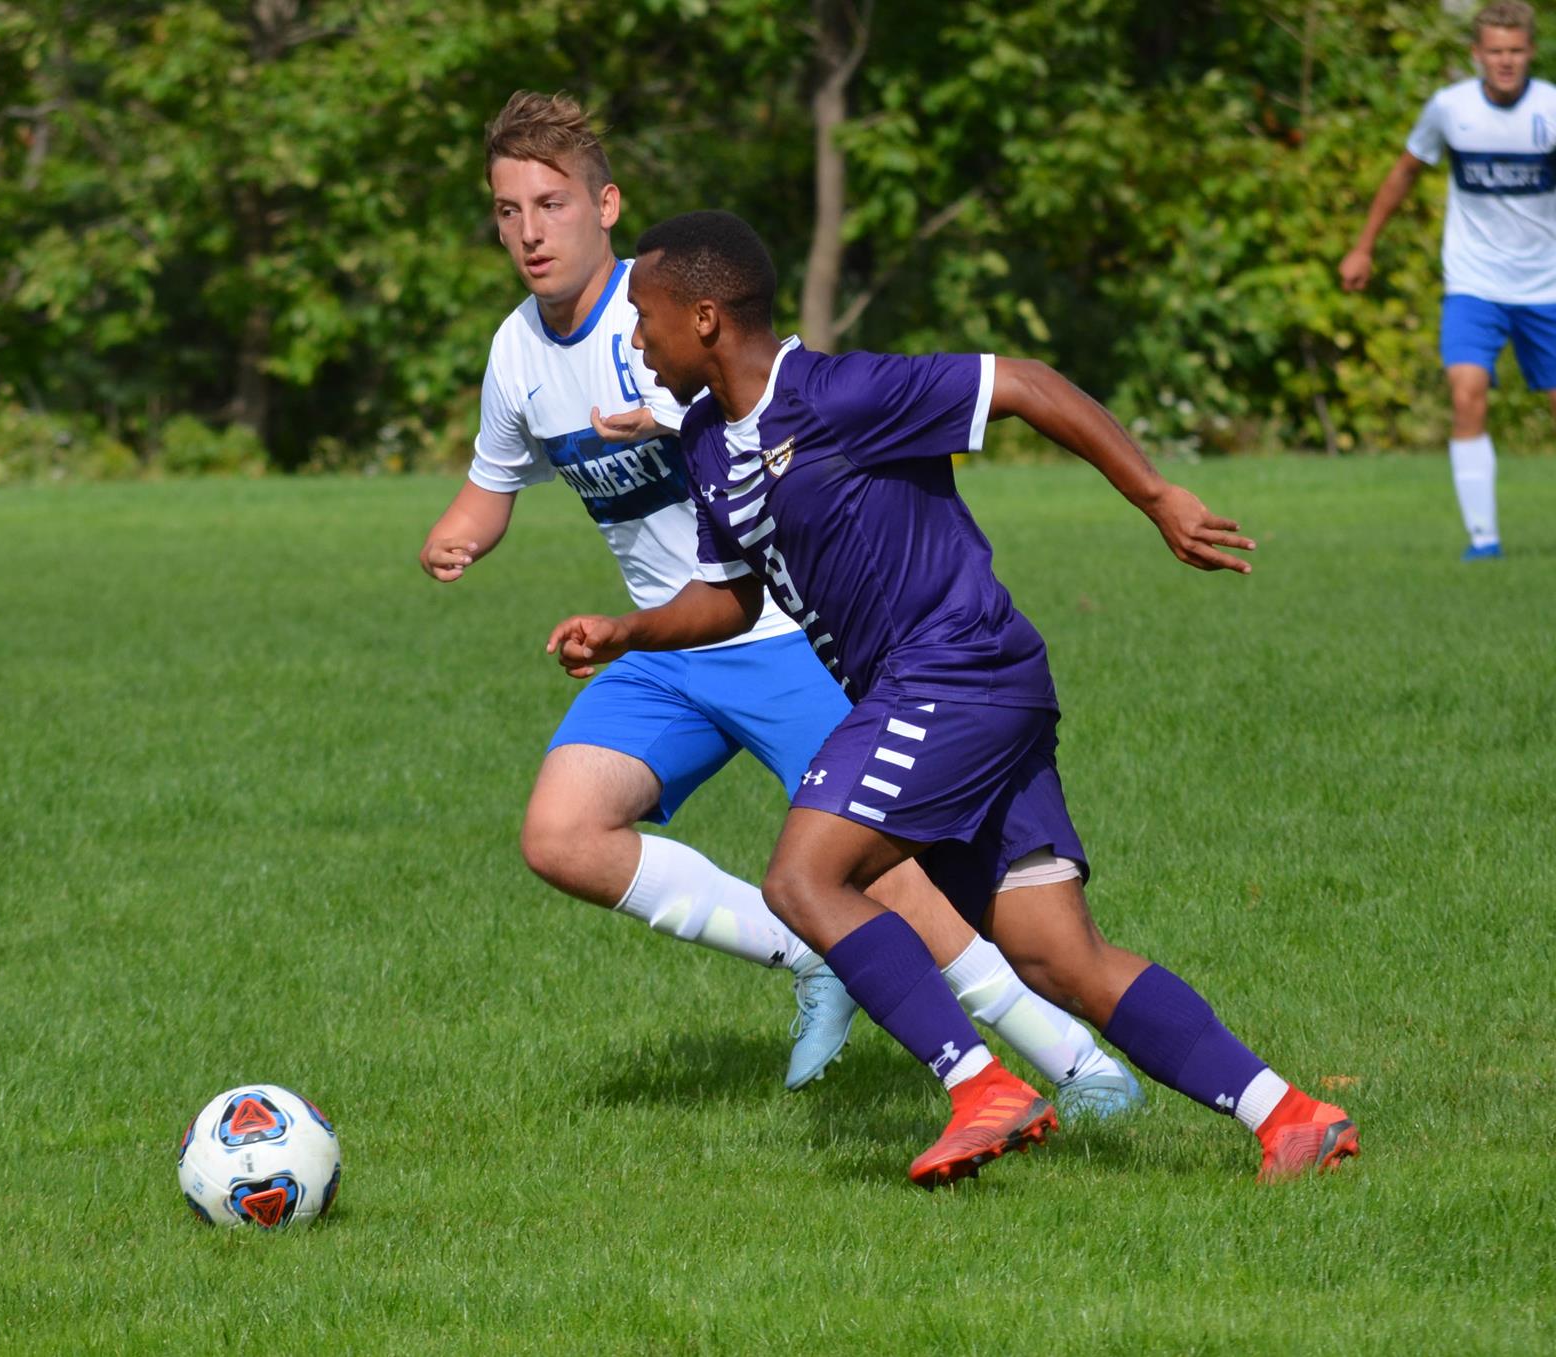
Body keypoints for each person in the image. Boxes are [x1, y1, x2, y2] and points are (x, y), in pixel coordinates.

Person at [548, 208, 1362, 1187]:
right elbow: (731, 595)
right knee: (1054, 954)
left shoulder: (841, 392)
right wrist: (625, 630)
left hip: (955, 669)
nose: (634, 340)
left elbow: (1019, 383)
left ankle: (979, 1087)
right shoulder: (709, 445)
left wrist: (1154, 496)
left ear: (708, 317)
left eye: (644, 317)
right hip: (956, 691)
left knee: (803, 878)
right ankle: (1293, 1117)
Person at [423, 92, 1141, 1113]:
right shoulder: (514, 353)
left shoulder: (671, 304)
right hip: (665, 643)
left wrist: (671, 425)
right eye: (506, 211)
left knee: (880, 878)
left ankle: (1075, 1062)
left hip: (770, 630)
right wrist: (454, 536)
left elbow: (777, 411)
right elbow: (491, 486)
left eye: (550, 203)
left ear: (606, 204)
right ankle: (809, 956)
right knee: (560, 835)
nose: (529, 232)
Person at [1341, 0, 1556, 560]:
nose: (1505, 61)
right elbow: (1405, 171)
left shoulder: (1552, 110)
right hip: (1474, 282)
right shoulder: (1450, 108)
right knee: (1467, 393)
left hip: (1546, 286)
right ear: (1476, 54)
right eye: (1495, 52)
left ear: (1530, 52)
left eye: (1515, 51)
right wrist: (1364, 247)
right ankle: (1483, 539)